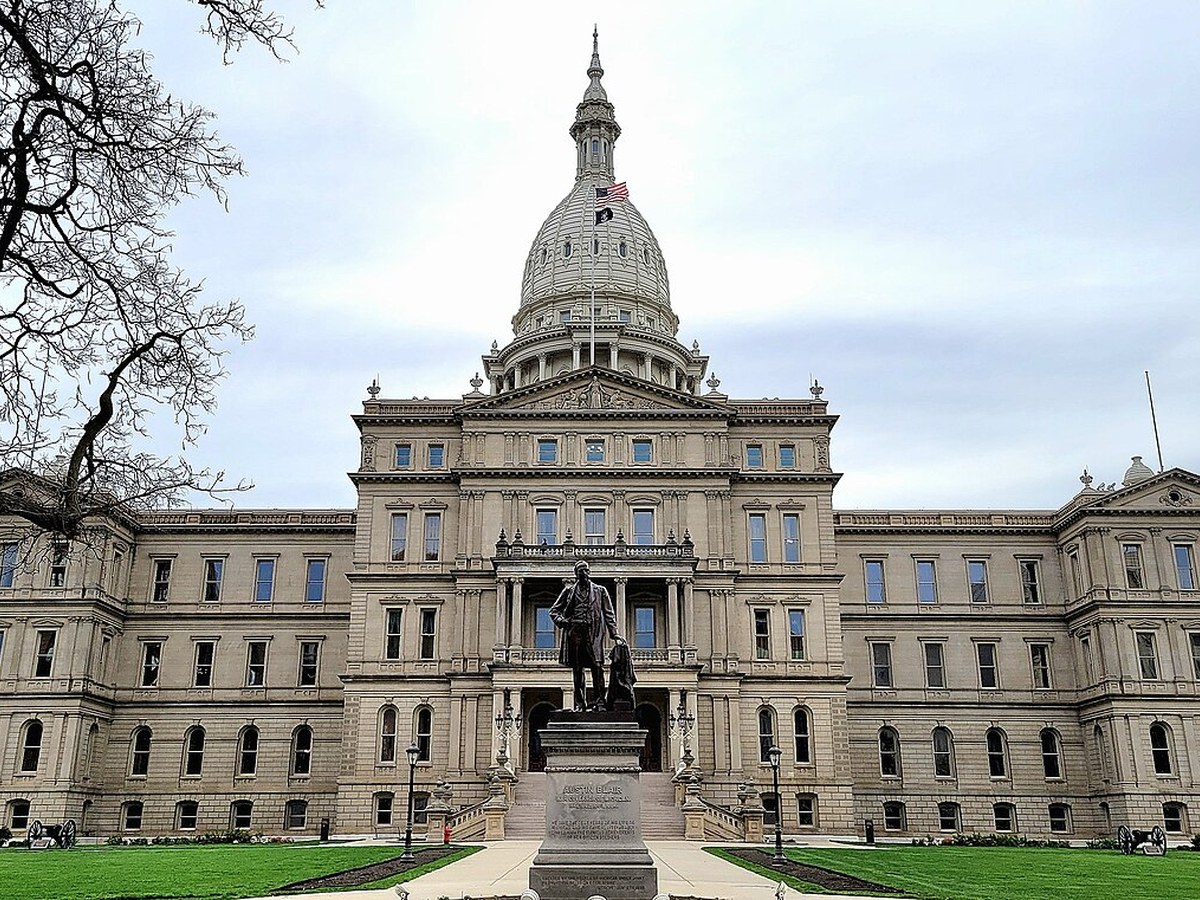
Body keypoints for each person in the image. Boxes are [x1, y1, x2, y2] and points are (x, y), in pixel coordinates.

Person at [550, 559, 624, 711]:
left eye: (585, 570)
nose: (583, 573)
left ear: (589, 572)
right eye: (580, 571)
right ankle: (579, 704)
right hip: (574, 631)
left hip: (593, 631)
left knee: (597, 666)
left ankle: (600, 702)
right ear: (576, 574)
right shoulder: (569, 591)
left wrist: (615, 634)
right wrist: (563, 622)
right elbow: (554, 611)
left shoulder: (600, 591)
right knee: (577, 670)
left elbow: (609, 614)